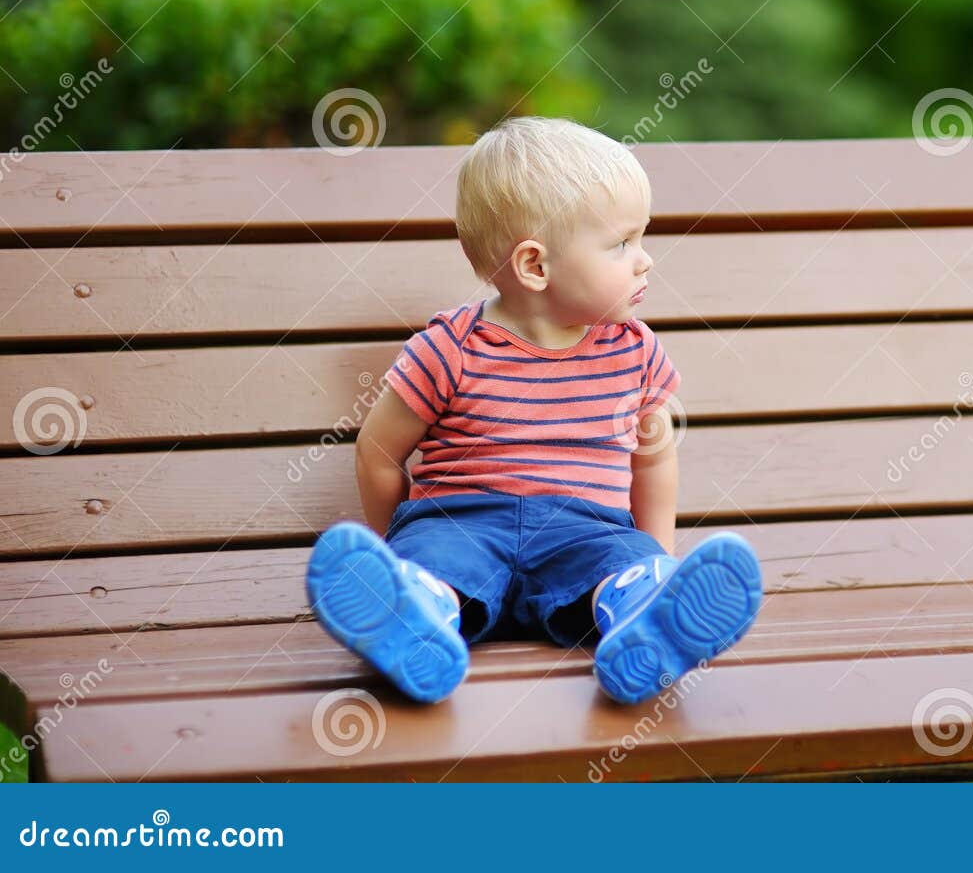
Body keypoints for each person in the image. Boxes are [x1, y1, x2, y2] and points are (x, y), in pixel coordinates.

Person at [304, 116, 762, 704]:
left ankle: (650, 615)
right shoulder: (450, 348)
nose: (645, 260)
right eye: (622, 244)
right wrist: (396, 543)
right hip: (462, 523)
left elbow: (653, 458)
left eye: (641, 238)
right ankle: (408, 611)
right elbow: (378, 450)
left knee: (623, 569)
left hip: (586, 531)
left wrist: (655, 557)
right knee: (432, 565)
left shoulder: (636, 351)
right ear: (536, 267)